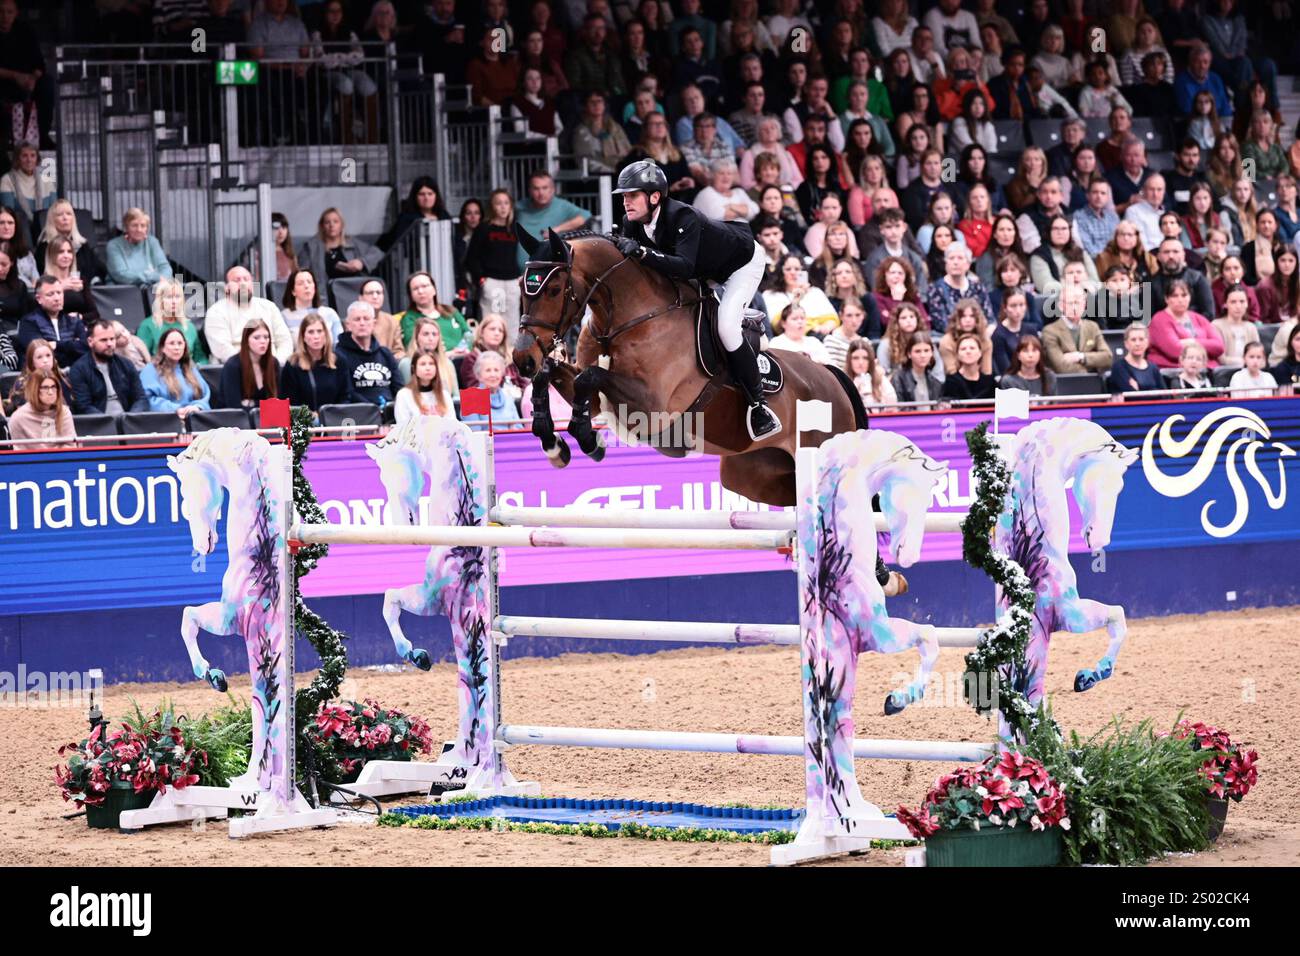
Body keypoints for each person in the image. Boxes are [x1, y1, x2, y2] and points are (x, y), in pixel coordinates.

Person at [613, 159, 778, 439]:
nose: (626, 202)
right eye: (624, 196)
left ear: (654, 197)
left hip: (741, 264)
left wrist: (642, 254)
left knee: (726, 327)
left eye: (632, 195)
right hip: (706, 269)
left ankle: (759, 406)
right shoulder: (634, 223)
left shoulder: (682, 216)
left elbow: (685, 266)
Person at [466, 189, 525, 338]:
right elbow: (472, 257)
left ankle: (510, 354)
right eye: (498, 203)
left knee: (512, 320)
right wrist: (480, 279)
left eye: (506, 203)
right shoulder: (484, 228)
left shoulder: (514, 229)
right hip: (491, 280)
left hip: (512, 281)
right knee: (490, 320)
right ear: (492, 206)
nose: (503, 207)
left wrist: (521, 276)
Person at [203, 265, 293, 363]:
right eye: (237, 280)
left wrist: (276, 363)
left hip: (272, 367)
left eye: (246, 279)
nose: (243, 284)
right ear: (226, 288)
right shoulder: (216, 311)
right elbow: (222, 350)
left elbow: (285, 341)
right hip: (236, 368)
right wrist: (250, 366)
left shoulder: (269, 307)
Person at [67, 318, 149, 415]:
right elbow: (84, 407)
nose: (110, 344)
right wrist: (109, 422)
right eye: (103, 340)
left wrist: (131, 418)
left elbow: (140, 398)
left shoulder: (126, 364)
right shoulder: (79, 369)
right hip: (99, 425)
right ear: (90, 341)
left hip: (128, 421)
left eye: (112, 339)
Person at [514, 171, 591, 269]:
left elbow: (585, 216)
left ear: (552, 189)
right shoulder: (519, 207)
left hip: (546, 273)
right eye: (536, 188)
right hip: (513, 274)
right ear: (530, 190)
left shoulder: (562, 206)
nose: (541, 193)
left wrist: (556, 230)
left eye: (545, 188)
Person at [280, 312, 355, 412]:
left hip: (334, 420)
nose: (316, 336)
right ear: (303, 337)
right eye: (311, 332)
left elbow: (345, 397)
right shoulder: (293, 364)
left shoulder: (339, 361)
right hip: (303, 422)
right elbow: (288, 403)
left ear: (326, 334)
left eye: (319, 331)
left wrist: (330, 416)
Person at [334, 300, 399, 410]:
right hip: (360, 413)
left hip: (391, 411)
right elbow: (348, 392)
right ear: (348, 325)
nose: (362, 323)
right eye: (357, 319)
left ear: (374, 323)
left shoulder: (385, 353)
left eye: (366, 319)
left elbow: (398, 387)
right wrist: (373, 408)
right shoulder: (339, 355)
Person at [297, 207, 382, 291]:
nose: (331, 225)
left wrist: (361, 262)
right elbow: (301, 273)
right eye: (327, 222)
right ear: (322, 226)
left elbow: (378, 253)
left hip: (352, 293)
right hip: (324, 297)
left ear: (341, 225)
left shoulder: (352, 244)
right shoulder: (311, 247)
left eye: (335, 221)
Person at [1147, 279, 1224, 369]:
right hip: (1173, 372)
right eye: (1174, 296)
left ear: (1190, 297)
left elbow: (1219, 346)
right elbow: (1175, 350)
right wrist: (1205, 345)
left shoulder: (1198, 318)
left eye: (1184, 295)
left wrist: (1192, 341)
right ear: (1166, 299)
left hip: (1206, 369)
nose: (1180, 300)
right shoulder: (1159, 320)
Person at [138, 326, 210, 420]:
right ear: (162, 347)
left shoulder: (191, 369)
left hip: (194, 418)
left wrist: (197, 407)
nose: (177, 347)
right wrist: (176, 409)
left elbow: (205, 395)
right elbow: (147, 399)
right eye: (172, 343)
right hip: (165, 421)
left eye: (180, 343)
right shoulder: (150, 370)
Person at [16, 275, 88, 367]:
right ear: (39, 299)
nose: (57, 298)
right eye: (50, 294)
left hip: (73, 373)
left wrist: (56, 345)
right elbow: (40, 352)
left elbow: (85, 347)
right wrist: (72, 346)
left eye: (59, 293)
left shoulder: (73, 320)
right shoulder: (29, 322)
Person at [1041, 284, 1113, 375]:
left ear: (1084, 305)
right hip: (1065, 385)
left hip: (1094, 384)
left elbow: (1108, 358)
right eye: (1070, 303)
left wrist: (1081, 357)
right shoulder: (1050, 331)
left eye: (1078, 303)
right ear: (1060, 306)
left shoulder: (1092, 326)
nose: (1074, 308)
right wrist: (1091, 368)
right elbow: (1061, 367)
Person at [923, 243, 993, 333]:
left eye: (960, 258)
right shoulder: (935, 289)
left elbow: (990, 318)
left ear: (968, 264)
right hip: (949, 337)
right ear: (946, 263)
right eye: (951, 258)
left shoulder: (978, 288)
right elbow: (941, 323)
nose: (955, 262)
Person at [401, 271, 471, 359]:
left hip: (464, 358)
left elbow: (468, 334)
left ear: (434, 289)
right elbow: (412, 346)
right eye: (415, 289)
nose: (421, 291)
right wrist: (449, 354)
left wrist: (463, 349)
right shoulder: (409, 319)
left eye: (424, 286)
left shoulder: (451, 311)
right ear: (411, 296)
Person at [136, 276, 206, 363]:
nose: (174, 301)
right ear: (160, 300)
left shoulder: (189, 326)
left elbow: (200, 357)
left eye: (177, 297)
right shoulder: (147, 326)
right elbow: (142, 359)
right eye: (169, 297)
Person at [35, 199, 104, 284]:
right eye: (60, 215)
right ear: (52, 220)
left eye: (69, 214)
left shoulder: (83, 245)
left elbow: (95, 270)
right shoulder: (45, 246)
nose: (65, 218)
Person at [217, 318, 280, 410]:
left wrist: (252, 403)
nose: (263, 341)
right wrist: (266, 405)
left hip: (266, 420)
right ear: (246, 340)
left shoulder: (273, 363)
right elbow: (234, 406)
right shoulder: (232, 365)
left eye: (266, 337)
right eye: (256, 337)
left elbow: (278, 403)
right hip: (232, 421)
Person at [377, 176, 450, 253]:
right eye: (421, 194)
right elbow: (402, 245)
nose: (426, 198)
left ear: (436, 196)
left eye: (430, 194)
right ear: (415, 197)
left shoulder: (444, 215)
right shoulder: (406, 218)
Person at [104, 208, 172, 288]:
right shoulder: (114, 245)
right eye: (134, 225)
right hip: (123, 292)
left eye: (143, 226)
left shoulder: (152, 242)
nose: (139, 229)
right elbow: (120, 274)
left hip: (153, 289)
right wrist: (154, 277)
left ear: (147, 228)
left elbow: (165, 267)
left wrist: (162, 279)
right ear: (126, 227)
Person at [457, 313, 525, 392]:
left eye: (501, 330)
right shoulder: (472, 358)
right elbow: (473, 388)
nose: (497, 333)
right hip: (485, 402)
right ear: (482, 332)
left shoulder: (510, 358)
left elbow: (524, 385)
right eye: (492, 329)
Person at [5, 370, 73, 448]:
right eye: (45, 388)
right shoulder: (19, 418)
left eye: (53, 387)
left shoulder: (64, 412)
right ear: (35, 389)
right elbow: (14, 451)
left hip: (60, 459)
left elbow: (71, 446)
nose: (50, 392)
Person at [459, 350, 523, 430]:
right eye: (488, 370)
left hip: (510, 441)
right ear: (479, 375)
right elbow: (474, 433)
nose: (493, 375)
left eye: (496, 370)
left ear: (502, 373)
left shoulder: (508, 397)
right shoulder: (470, 399)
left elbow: (519, 428)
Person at [280, 267, 343, 341]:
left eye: (309, 282)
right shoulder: (284, 316)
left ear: (315, 287)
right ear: (293, 291)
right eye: (300, 283)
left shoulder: (330, 313)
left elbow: (339, 344)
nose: (306, 286)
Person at [395, 348, 454, 423]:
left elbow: (452, 425)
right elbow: (402, 427)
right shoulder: (403, 395)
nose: (428, 368)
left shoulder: (444, 395)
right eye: (423, 364)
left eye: (431, 364)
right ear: (414, 369)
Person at [938, 298, 993, 376]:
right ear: (957, 319)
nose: (968, 320)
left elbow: (987, 372)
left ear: (977, 319)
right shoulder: (947, 342)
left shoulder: (985, 340)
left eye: (972, 316)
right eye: (963, 316)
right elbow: (952, 372)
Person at [0, 141, 54, 220]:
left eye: (33, 156)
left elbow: (55, 210)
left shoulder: (46, 179)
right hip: (20, 228)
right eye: (24, 156)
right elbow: (9, 215)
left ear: (37, 158)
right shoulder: (7, 180)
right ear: (17, 159)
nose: (29, 160)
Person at [1108, 322, 1166, 394]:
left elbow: (1165, 396)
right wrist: (1153, 391)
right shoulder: (1119, 367)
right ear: (1126, 343)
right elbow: (1131, 397)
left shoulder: (1153, 368)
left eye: (1141, 339)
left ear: (1147, 342)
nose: (1137, 344)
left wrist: (1139, 389)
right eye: (1133, 340)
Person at [694, 159, 758, 222]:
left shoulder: (739, 192)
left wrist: (731, 206)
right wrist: (744, 210)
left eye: (729, 173)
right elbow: (719, 216)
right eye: (721, 173)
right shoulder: (706, 193)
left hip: (742, 231)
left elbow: (754, 210)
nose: (726, 177)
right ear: (713, 175)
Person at [1212, 285, 1261, 367]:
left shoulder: (1251, 327)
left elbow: (1258, 354)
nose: (1238, 306)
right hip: (1226, 372)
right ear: (1225, 304)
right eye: (1233, 302)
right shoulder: (1216, 326)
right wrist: (1246, 362)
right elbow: (1221, 358)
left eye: (1242, 302)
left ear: (1247, 304)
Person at [845, 336, 897, 411]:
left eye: (865, 358)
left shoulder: (881, 380)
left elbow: (892, 408)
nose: (861, 362)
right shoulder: (842, 382)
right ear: (849, 360)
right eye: (856, 358)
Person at [891, 331, 943, 404]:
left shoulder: (935, 382)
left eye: (926, 351)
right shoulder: (898, 379)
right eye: (917, 351)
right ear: (909, 354)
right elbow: (899, 408)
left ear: (932, 353)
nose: (923, 355)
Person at [940, 333, 997, 401]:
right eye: (963, 349)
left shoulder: (989, 382)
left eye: (972, 348)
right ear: (957, 355)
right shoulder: (950, 381)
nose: (968, 351)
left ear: (980, 353)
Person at [991, 288, 1032, 375]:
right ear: (1005, 308)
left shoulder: (1031, 330)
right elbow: (1005, 368)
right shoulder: (998, 335)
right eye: (1013, 306)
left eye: (1021, 305)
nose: (1018, 310)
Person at [0, 242, 33, 328]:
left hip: (14, 333)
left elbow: (25, 318)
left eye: (4, 264)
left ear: (11, 263)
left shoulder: (20, 286)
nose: (0, 269)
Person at [271, 212, 299, 280]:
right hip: (262, 289)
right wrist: (257, 291)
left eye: (284, 227)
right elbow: (254, 280)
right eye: (276, 228)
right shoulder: (256, 253)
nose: (281, 232)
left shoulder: (290, 254)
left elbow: (295, 279)